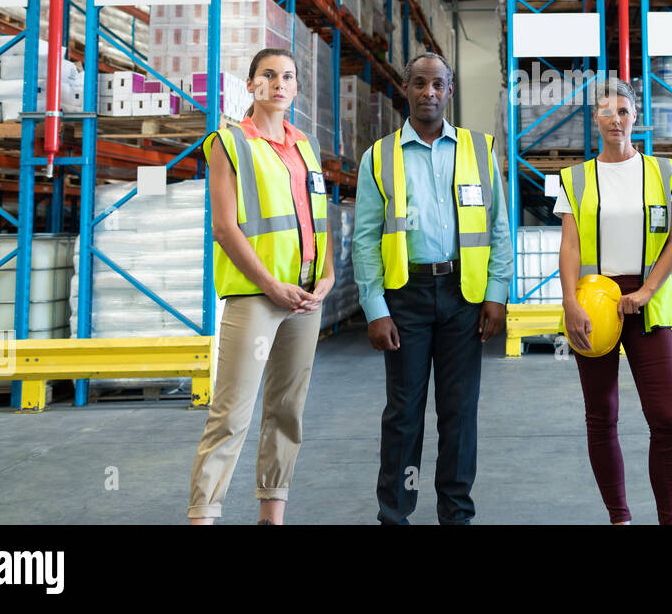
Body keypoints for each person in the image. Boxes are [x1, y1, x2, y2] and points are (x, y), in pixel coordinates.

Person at [352, 52, 511, 525]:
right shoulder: (379, 157)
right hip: (406, 298)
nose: (429, 93)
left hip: (465, 295)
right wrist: (374, 306)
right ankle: (395, 514)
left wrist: (496, 295)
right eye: (419, 83)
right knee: (403, 412)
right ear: (407, 89)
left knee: (459, 414)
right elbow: (365, 240)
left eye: (438, 84)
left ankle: (456, 515)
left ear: (450, 91)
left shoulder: (481, 151)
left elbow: (498, 229)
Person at [188, 47, 333, 524]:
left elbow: (319, 222)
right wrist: (272, 286)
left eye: (287, 77)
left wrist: (328, 276)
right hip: (257, 297)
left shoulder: (306, 147)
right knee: (231, 413)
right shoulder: (228, 144)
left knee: (287, 410)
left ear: (295, 87)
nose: (278, 83)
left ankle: (273, 514)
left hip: (304, 298)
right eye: (268, 75)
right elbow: (225, 228)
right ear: (250, 85)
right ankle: (204, 515)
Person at [556, 78, 672, 525]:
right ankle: (620, 517)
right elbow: (570, 247)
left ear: (636, 117)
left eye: (623, 111)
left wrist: (647, 291)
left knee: (666, 417)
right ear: (595, 118)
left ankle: (669, 518)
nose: (616, 119)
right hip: (592, 304)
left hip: (646, 305)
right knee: (602, 416)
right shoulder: (574, 178)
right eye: (606, 112)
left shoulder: (664, 172)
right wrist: (571, 304)